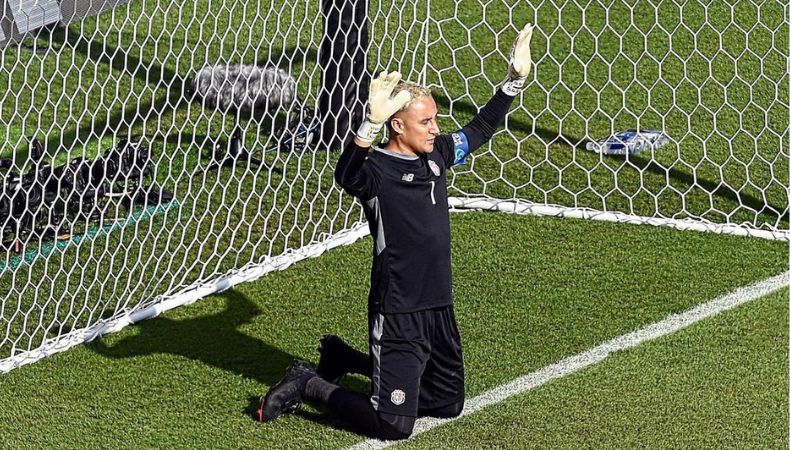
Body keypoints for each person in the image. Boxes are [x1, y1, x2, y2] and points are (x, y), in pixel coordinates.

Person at [259, 22, 535, 440]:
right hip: (399, 308)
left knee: (446, 402)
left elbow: (479, 129)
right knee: (392, 425)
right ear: (398, 127)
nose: (436, 128)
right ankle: (309, 383)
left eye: (435, 119)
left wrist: (512, 84)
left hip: (438, 303)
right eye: (425, 121)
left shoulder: (436, 156)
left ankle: (344, 357)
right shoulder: (376, 173)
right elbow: (345, 175)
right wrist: (367, 126)